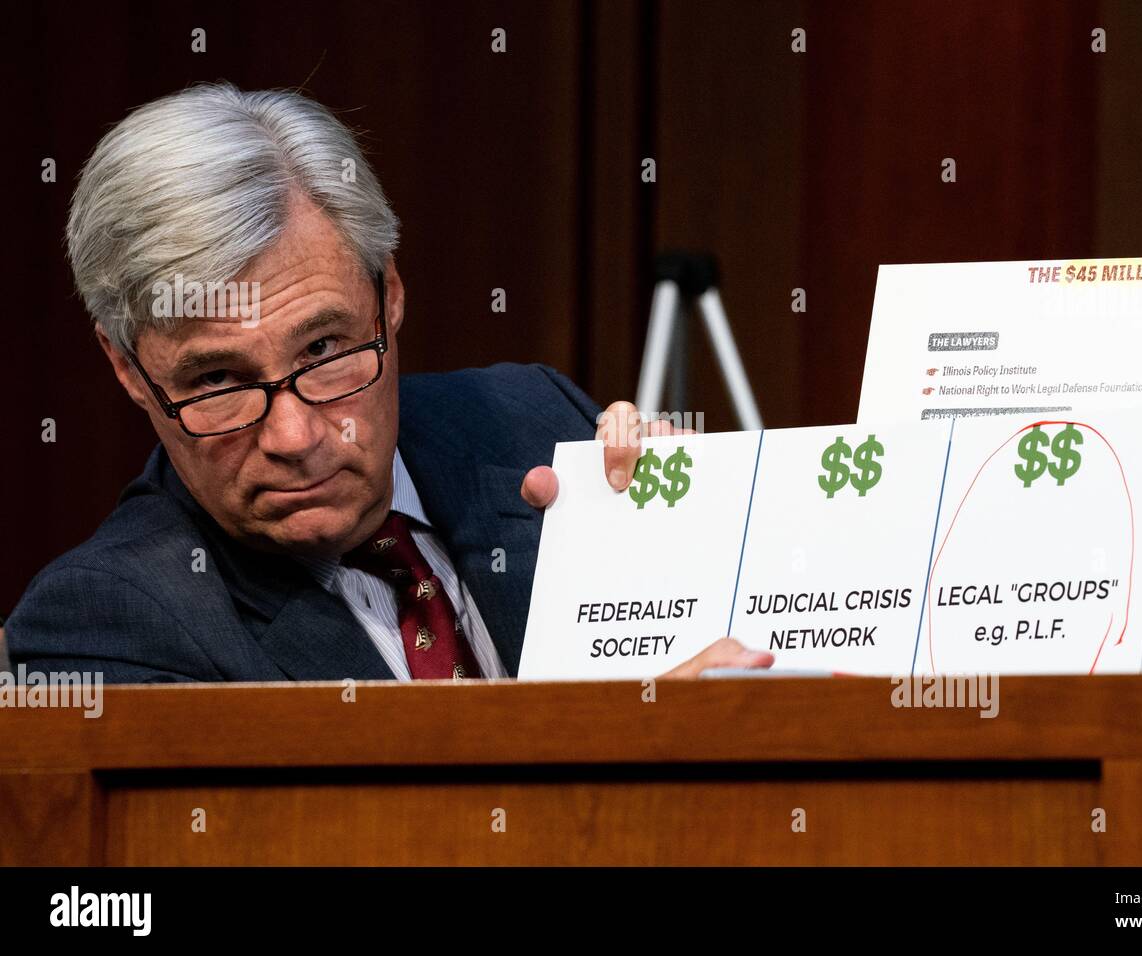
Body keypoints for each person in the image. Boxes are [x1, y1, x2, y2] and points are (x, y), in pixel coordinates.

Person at [4, 83, 774, 684]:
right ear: (126, 370)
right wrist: (640, 755)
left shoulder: (535, 420)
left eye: (325, 349)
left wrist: (709, 549)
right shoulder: (107, 625)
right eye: (217, 381)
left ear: (391, 294)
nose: (296, 437)